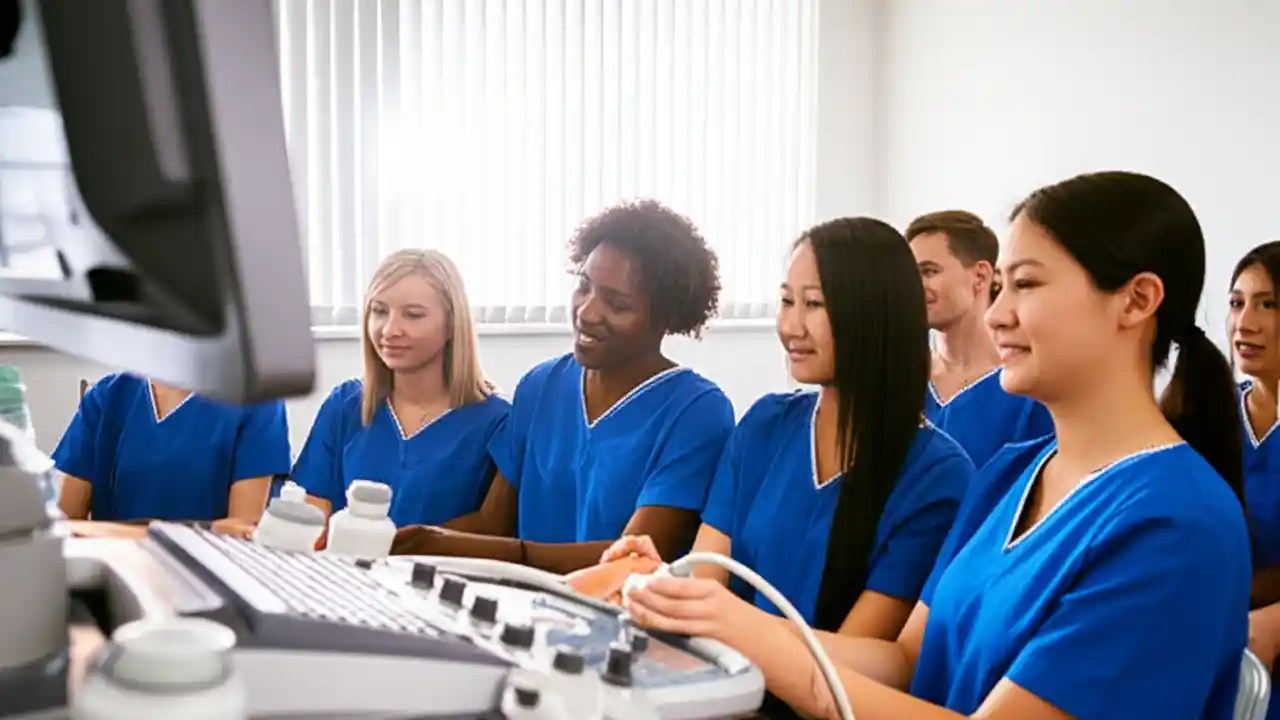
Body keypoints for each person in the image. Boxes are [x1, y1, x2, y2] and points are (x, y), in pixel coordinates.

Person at [620, 171, 1250, 719]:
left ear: (1136, 300)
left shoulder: (1175, 525)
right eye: (999, 287)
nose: (997, 315)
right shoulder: (1010, 475)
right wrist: (700, 605)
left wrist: (750, 633)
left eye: (1025, 285)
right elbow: (903, 661)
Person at [601, 218, 972, 638]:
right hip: (722, 679)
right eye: (786, 301)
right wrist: (662, 584)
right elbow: (706, 578)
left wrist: (716, 614)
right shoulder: (766, 425)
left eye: (813, 304)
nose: (791, 326)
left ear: (876, 312)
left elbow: (851, 664)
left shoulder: (936, 476)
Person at [390, 199, 735, 574]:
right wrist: (404, 543)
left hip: (619, 617)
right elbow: (492, 524)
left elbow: (633, 560)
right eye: (584, 287)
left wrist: (509, 556)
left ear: (667, 316)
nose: (587, 312)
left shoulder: (697, 412)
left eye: (616, 305)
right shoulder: (541, 386)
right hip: (520, 609)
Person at [290, 249, 509, 528]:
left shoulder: (497, 424)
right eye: (379, 311)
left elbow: (493, 534)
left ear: (453, 324)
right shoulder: (346, 406)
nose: (390, 330)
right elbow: (309, 521)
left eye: (413, 315)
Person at [908, 210, 1052, 469]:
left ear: (980, 276)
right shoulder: (901, 381)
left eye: (928, 271)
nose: (914, 286)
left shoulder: (1028, 388)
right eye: (909, 274)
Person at [53, 374, 290, 523]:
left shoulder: (257, 402)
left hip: (208, 584)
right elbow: (65, 524)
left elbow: (240, 533)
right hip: (116, 579)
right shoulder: (108, 396)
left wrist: (116, 536)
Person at [1225, 241, 1280, 720]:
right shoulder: (1210, 414)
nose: (1246, 323)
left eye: (1269, 304)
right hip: (1218, 637)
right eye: (1237, 302)